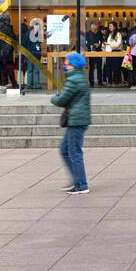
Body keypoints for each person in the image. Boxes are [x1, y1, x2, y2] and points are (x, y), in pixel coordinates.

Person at [51, 51, 91, 194]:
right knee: (65, 150)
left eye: (67, 62)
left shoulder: (74, 79)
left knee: (74, 153)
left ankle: (81, 184)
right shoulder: (78, 77)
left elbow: (62, 99)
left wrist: (54, 97)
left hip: (76, 121)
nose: (64, 65)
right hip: (77, 119)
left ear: (73, 64)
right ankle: (77, 179)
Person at [24, 18, 43, 91]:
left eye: (38, 25)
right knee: (31, 70)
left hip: (36, 54)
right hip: (32, 54)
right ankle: (31, 84)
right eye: (36, 25)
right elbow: (24, 43)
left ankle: (35, 85)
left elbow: (39, 44)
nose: (37, 26)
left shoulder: (38, 33)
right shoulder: (29, 33)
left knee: (34, 70)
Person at [105, 22, 125, 87]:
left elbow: (118, 44)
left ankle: (117, 82)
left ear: (115, 27)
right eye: (109, 26)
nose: (109, 27)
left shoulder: (118, 34)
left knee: (116, 68)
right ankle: (110, 82)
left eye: (111, 26)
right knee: (109, 68)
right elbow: (107, 43)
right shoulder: (109, 34)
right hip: (109, 52)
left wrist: (109, 44)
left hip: (116, 52)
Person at [85, 21, 104, 87]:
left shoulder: (99, 33)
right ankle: (91, 82)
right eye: (94, 29)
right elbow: (86, 43)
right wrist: (92, 45)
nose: (96, 30)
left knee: (99, 68)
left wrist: (99, 44)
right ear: (91, 28)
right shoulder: (87, 34)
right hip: (91, 53)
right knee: (92, 68)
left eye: (96, 29)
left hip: (99, 52)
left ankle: (100, 82)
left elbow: (102, 41)